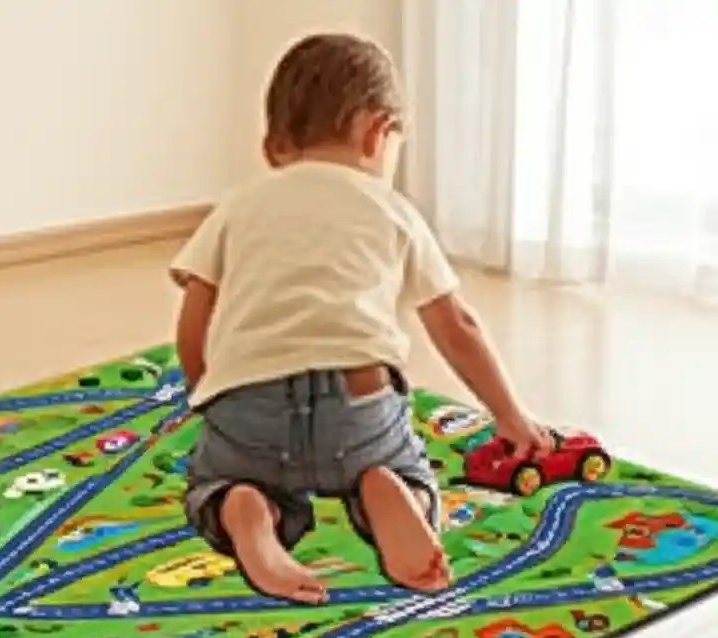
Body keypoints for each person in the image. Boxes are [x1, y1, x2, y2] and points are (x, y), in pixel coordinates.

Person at [170, 33, 553, 603]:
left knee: (213, 481)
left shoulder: (237, 206)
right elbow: (457, 326)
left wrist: (208, 391)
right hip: (359, 413)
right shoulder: (394, 210)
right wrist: (511, 417)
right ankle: (388, 487)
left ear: (272, 147)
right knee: (407, 464)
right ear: (379, 133)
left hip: (251, 413)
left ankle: (245, 508)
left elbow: (193, 317)